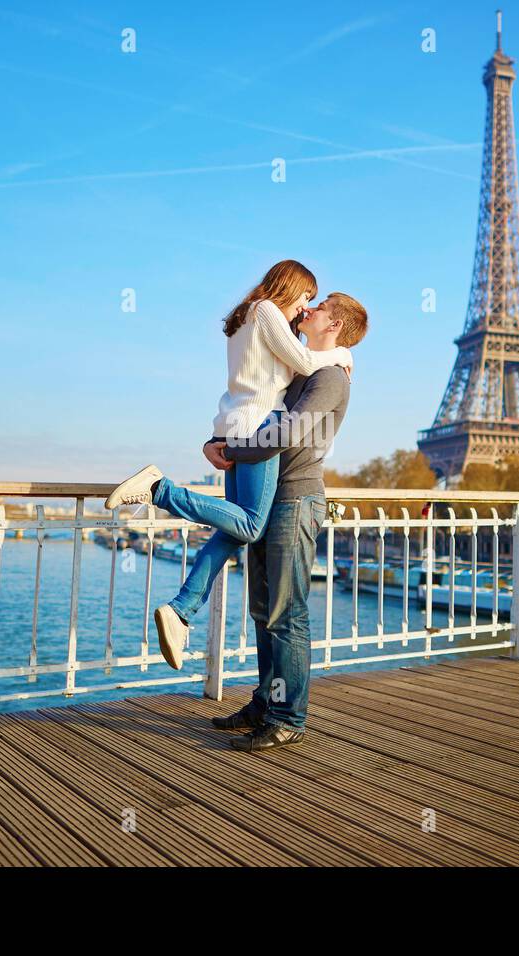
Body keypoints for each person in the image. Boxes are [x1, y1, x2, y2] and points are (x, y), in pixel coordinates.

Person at [104, 260, 353, 671]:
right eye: (305, 297)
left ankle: (181, 610)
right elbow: (307, 365)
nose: (303, 308)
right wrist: (345, 354)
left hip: (235, 424)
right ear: (290, 287)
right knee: (252, 525)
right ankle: (159, 490)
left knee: (234, 530)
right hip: (259, 426)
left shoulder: (245, 316)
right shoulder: (268, 312)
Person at [203, 292, 368, 752]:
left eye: (320, 307)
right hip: (271, 499)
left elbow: (287, 434)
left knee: (286, 613)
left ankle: (288, 717)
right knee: (263, 609)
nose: (307, 310)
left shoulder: (331, 377)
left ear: (333, 325)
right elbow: (252, 408)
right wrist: (215, 442)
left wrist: (230, 452)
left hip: (296, 501)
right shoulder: (300, 370)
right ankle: (265, 703)